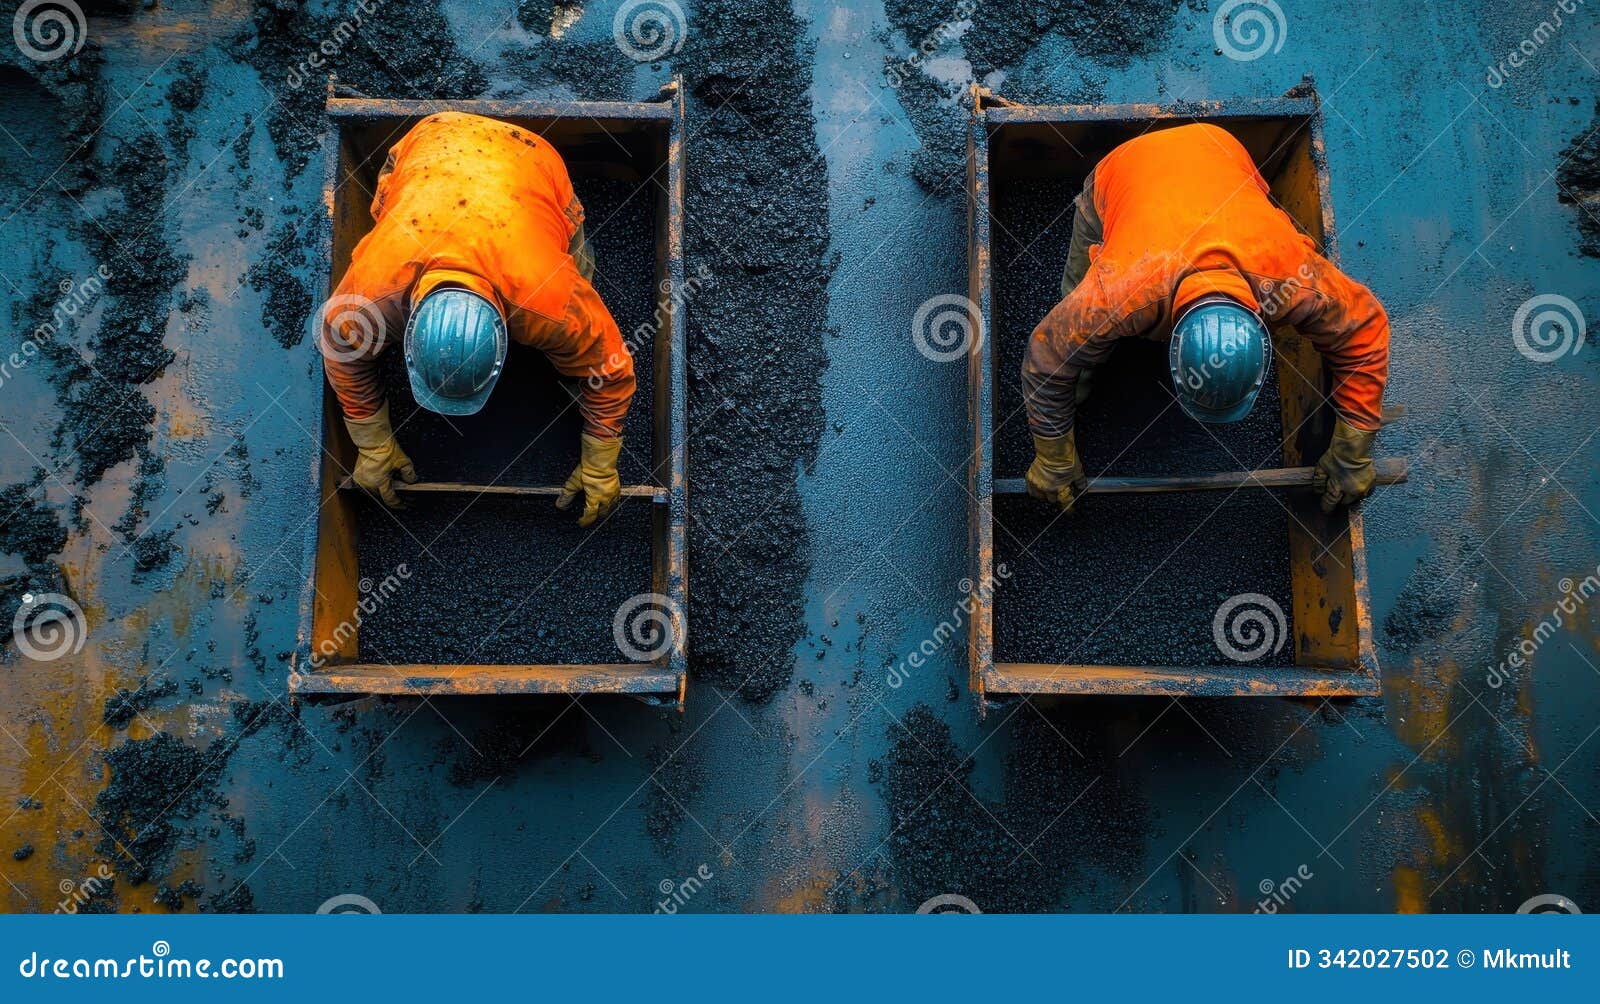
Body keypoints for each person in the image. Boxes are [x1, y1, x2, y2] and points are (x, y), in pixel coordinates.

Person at [1021, 123, 1390, 515]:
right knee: (1074, 329)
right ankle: (1083, 389)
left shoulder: (1293, 276)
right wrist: (1054, 459)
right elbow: (1046, 358)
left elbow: (1365, 327)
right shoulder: (1114, 294)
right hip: (1124, 170)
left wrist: (1352, 454)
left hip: (1221, 152)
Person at [320, 111, 634, 527]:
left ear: (508, 337)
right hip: (432, 144)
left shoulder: (551, 302)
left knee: (576, 263)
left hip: (529, 156)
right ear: (408, 334)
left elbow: (610, 372)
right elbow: (344, 356)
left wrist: (599, 465)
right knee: (389, 213)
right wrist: (372, 444)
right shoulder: (368, 298)